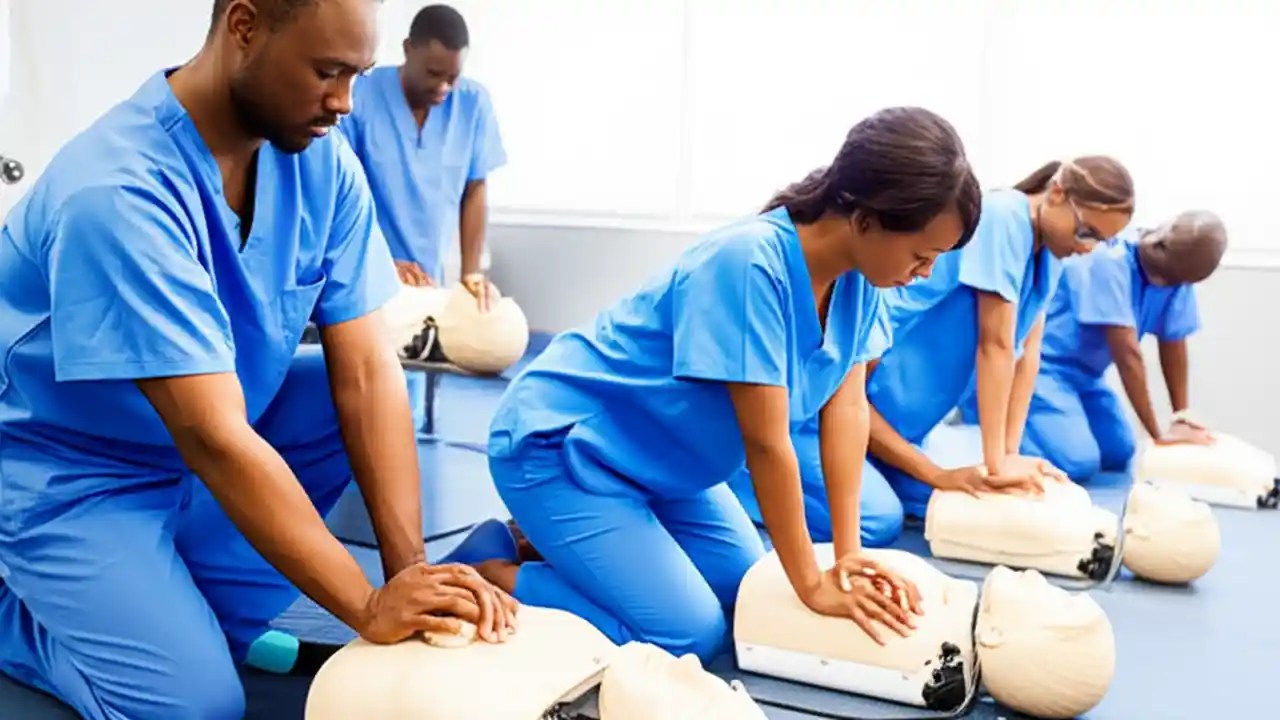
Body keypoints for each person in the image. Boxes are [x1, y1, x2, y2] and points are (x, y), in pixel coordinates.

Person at [0, 2, 515, 718]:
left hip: (199, 451)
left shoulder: (320, 161)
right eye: (326, 72)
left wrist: (410, 574)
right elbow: (212, 435)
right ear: (243, 27)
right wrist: (367, 604)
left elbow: (367, 372)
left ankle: (176, 590)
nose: (343, 103)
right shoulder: (116, 191)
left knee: (337, 399)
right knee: (197, 705)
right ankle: (19, 615)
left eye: (357, 76)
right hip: (77, 476)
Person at [478, 106, 983, 664]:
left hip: (667, 465)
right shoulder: (748, 264)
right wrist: (812, 586)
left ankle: (555, 544)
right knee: (689, 634)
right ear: (866, 220)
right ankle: (491, 572)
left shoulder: (861, 285)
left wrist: (846, 555)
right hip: (564, 448)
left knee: (742, 590)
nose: (927, 273)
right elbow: (768, 447)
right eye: (921, 255)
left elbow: (847, 412)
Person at [860, 157, 1136, 520]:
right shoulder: (1002, 216)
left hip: (907, 426)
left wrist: (1008, 454)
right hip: (864, 402)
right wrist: (996, 464)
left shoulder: (1050, 254)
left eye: (1102, 240)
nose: (1088, 248)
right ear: (1056, 194)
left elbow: (1027, 356)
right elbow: (996, 345)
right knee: (880, 520)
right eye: (1087, 233)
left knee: (949, 506)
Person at [959, 211, 1227, 480]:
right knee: (1078, 462)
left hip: (1087, 378)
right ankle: (980, 410)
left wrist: (1181, 416)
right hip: (1045, 369)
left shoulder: (1178, 275)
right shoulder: (1109, 258)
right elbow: (1127, 354)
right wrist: (1158, 435)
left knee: (1119, 451)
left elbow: (1173, 342)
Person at [339, 3, 504, 298]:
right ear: (408, 49)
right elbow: (339, 193)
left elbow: (475, 188)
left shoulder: (472, 103)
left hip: (432, 282)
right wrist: (379, 262)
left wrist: (471, 274)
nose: (443, 87)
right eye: (433, 73)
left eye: (452, 77)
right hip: (368, 275)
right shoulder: (361, 96)